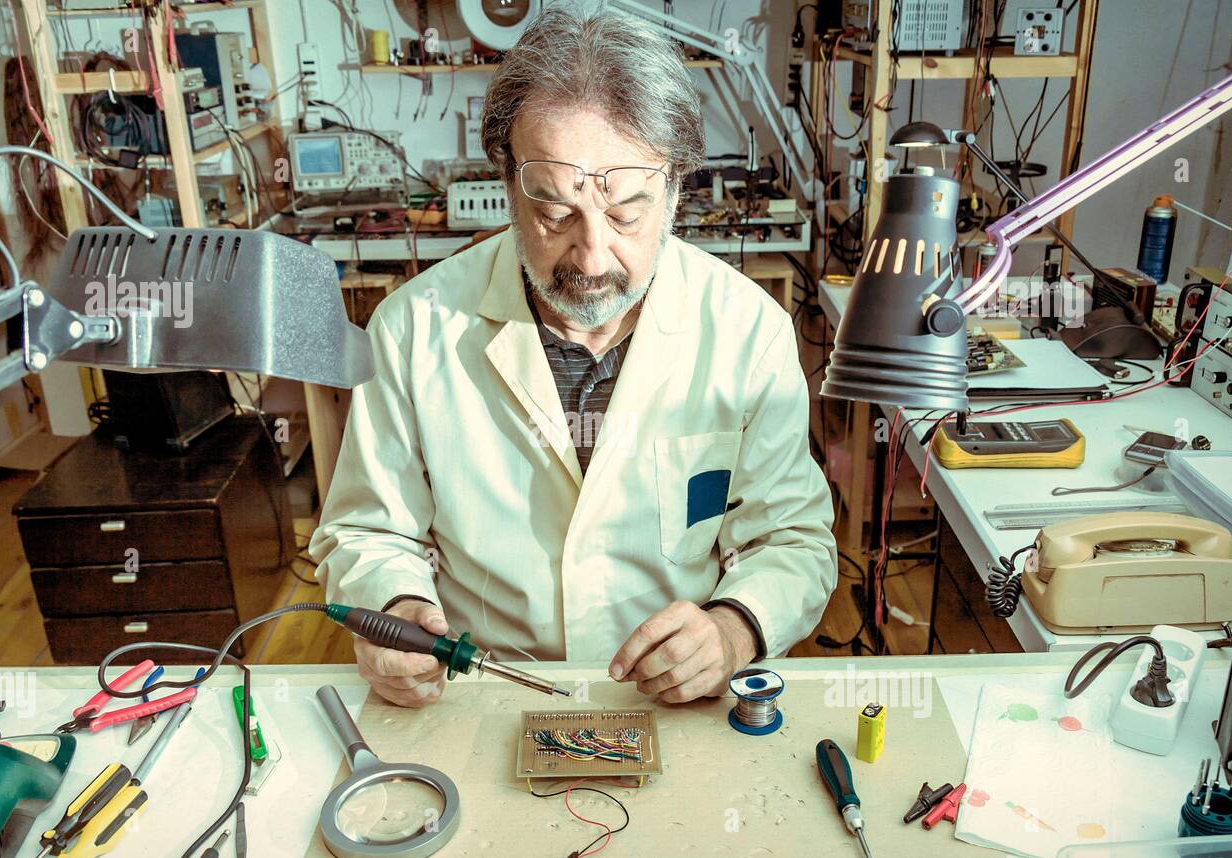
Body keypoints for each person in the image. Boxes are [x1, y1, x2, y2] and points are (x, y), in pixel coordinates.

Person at [310, 6, 837, 707]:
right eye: (555, 213)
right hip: (484, 695)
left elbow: (792, 540)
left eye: (625, 215)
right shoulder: (413, 331)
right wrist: (398, 610)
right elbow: (367, 531)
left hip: (671, 704)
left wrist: (734, 630)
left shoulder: (747, 333)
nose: (591, 257)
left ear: (675, 188)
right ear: (506, 179)